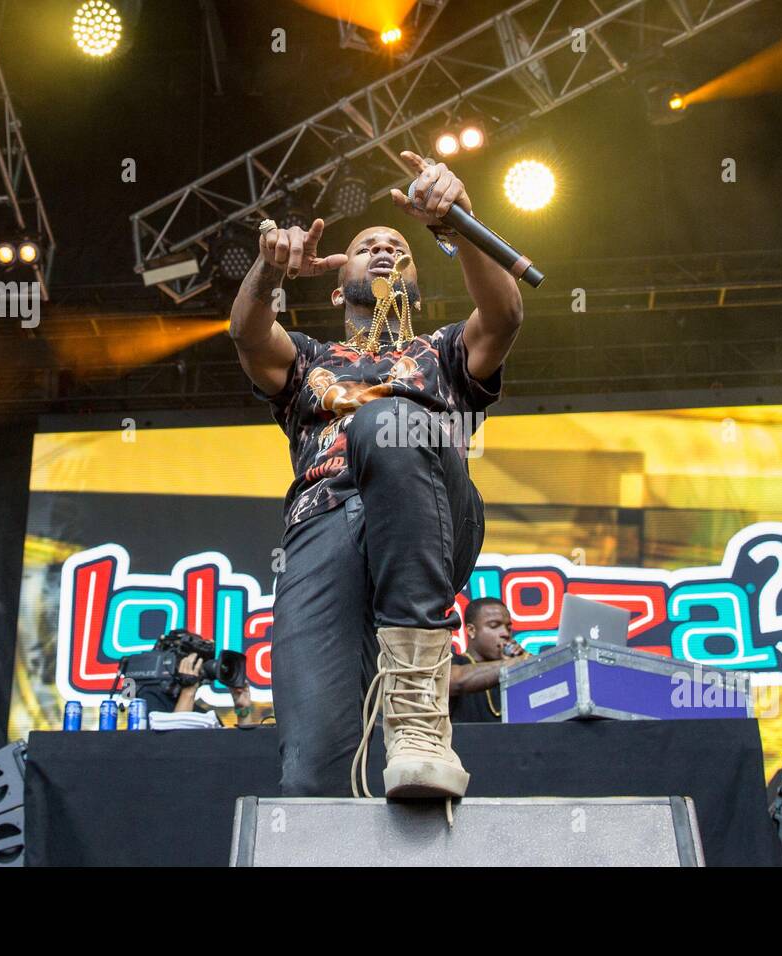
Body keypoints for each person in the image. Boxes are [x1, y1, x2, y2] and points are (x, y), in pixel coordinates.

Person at [230, 150, 525, 798]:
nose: (386, 249)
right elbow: (249, 336)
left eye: (400, 246)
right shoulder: (310, 358)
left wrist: (460, 224)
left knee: (386, 422)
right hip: (323, 522)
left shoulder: (442, 350)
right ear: (338, 285)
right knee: (312, 772)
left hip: (431, 512)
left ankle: (420, 715)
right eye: (368, 246)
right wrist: (266, 269)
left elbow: (503, 316)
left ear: (417, 279)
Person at [449, 598, 531, 723]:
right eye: (494, 626)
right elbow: (454, 680)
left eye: (508, 628)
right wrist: (516, 663)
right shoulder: (455, 660)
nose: (505, 633)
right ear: (471, 630)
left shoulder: (515, 668)